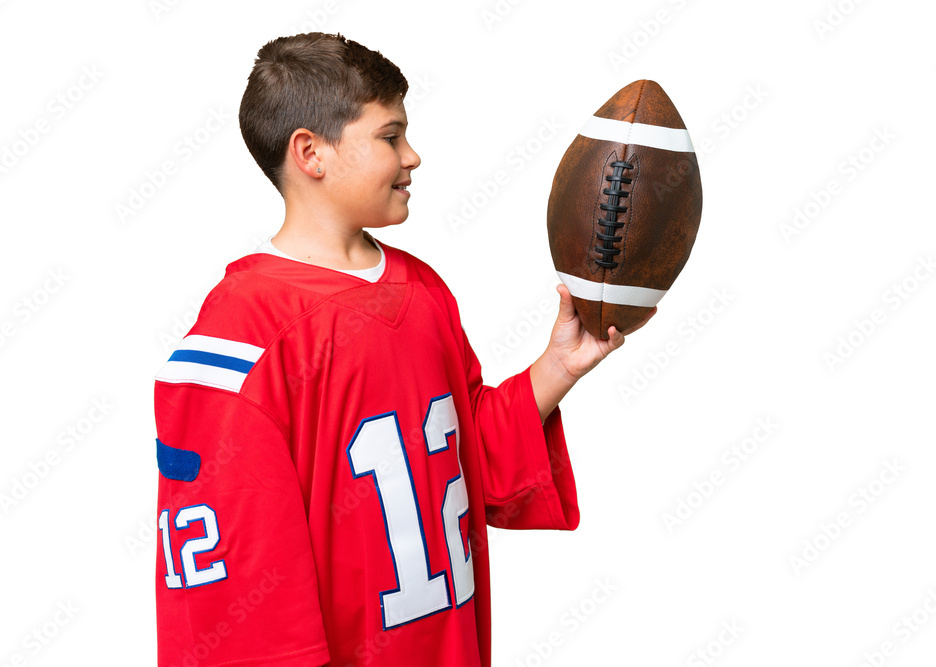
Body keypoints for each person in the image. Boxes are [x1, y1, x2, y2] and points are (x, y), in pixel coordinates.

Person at [152, 32, 654, 667]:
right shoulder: (243, 332)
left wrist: (557, 367)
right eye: (390, 137)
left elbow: (462, 458)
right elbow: (241, 592)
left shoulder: (422, 289)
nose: (413, 156)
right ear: (310, 153)